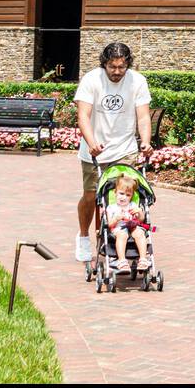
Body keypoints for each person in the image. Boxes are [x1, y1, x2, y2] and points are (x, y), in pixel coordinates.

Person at [75, 42, 152, 263]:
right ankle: (83, 237)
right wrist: (91, 143)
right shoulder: (91, 79)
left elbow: (143, 116)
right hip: (94, 151)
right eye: (112, 66)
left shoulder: (137, 81)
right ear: (104, 64)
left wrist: (145, 142)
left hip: (124, 150)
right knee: (91, 196)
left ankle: (119, 242)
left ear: (128, 64)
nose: (117, 71)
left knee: (124, 198)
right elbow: (83, 116)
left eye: (121, 67)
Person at [107, 175, 151, 273]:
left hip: (133, 226)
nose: (124, 197)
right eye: (121, 193)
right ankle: (122, 260)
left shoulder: (133, 205)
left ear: (131, 196)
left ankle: (143, 259)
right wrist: (116, 218)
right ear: (115, 192)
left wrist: (139, 212)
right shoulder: (111, 208)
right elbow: (110, 224)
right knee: (122, 234)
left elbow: (141, 220)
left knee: (139, 233)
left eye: (128, 195)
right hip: (118, 228)